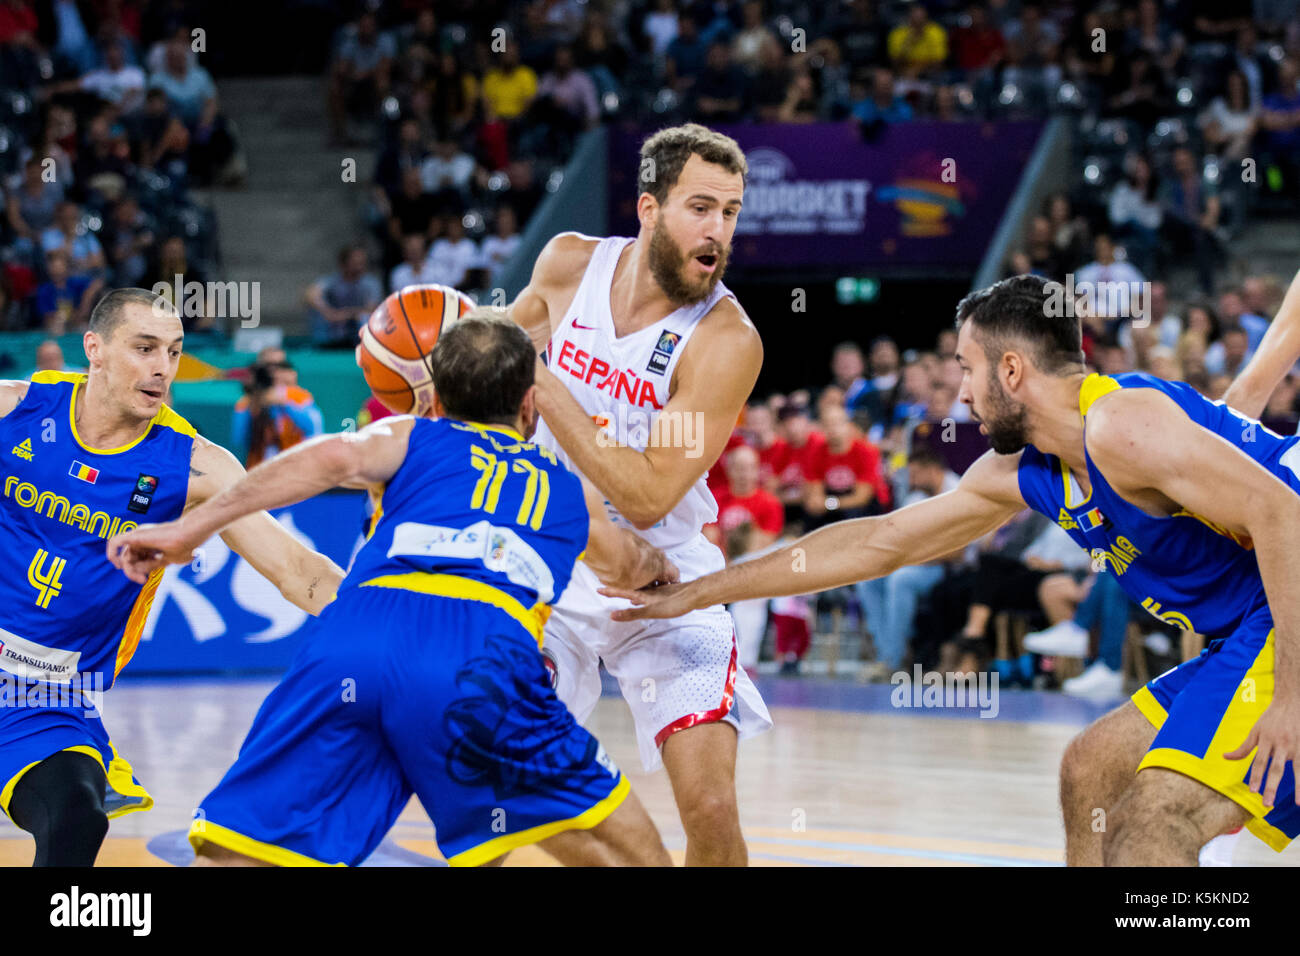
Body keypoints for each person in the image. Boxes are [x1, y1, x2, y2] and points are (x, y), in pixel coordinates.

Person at [606, 273, 1300, 866]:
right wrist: (702, 591)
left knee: (1157, 818)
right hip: (1246, 629)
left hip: (1284, 621)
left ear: (1011, 371)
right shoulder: (1029, 470)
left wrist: (1292, 697)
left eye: (967, 368)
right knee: (1092, 770)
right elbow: (879, 542)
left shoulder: (1120, 424)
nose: (962, 394)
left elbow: (1283, 514)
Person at [108, 312, 675, 867]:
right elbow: (627, 567)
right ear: (531, 404)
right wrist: (661, 568)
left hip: (355, 639)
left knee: (245, 856)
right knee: (628, 853)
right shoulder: (567, 489)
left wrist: (189, 527)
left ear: (437, 401)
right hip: (478, 650)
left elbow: (332, 455)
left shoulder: (412, 435)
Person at [0, 288, 346, 867]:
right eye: (144, 348)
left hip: (46, 698)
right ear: (96, 349)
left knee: (77, 818)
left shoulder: (194, 466)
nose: (162, 367)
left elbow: (297, 572)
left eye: (174, 351)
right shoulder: (17, 410)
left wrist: (405, 619)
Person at [508, 123, 774, 866]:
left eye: (731, 211)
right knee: (497, 771)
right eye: (701, 207)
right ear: (649, 209)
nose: (718, 229)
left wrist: (541, 380)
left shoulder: (728, 339)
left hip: (665, 577)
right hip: (558, 562)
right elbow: (490, 361)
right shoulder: (568, 264)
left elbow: (651, 492)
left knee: (713, 806)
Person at [231, 362, 324, 467]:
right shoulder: (246, 403)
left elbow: (312, 428)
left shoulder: (297, 396)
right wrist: (252, 408)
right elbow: (239, 438)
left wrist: (285, 405)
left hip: (295, 462)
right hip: (259, 465)